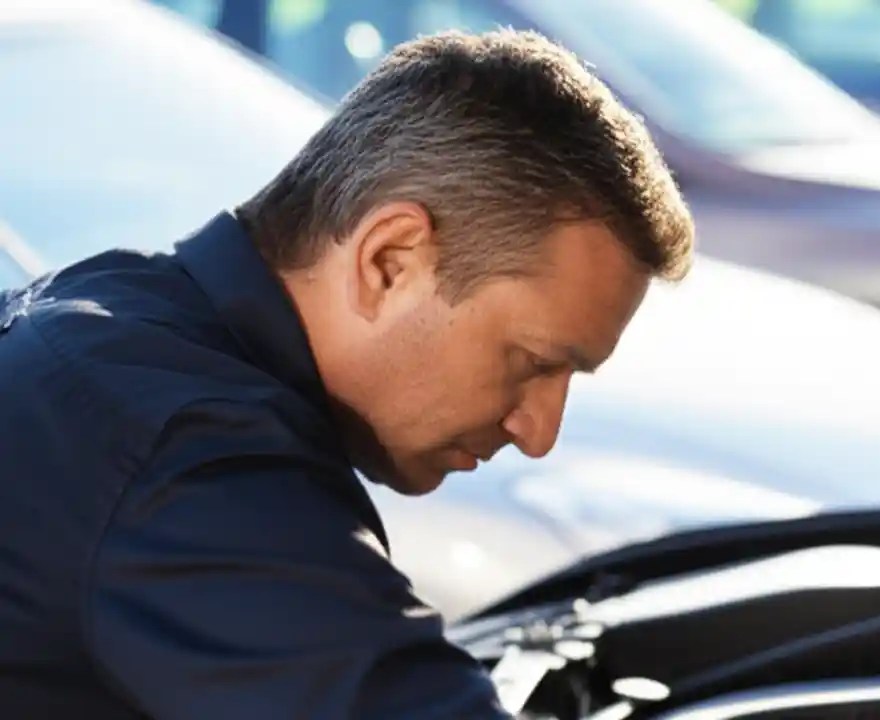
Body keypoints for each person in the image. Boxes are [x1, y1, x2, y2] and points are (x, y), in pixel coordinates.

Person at [0, 30, 694, 719]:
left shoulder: (104, 320)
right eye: (535, 363)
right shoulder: (189, 461)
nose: (538, 432)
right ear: (389, 260)